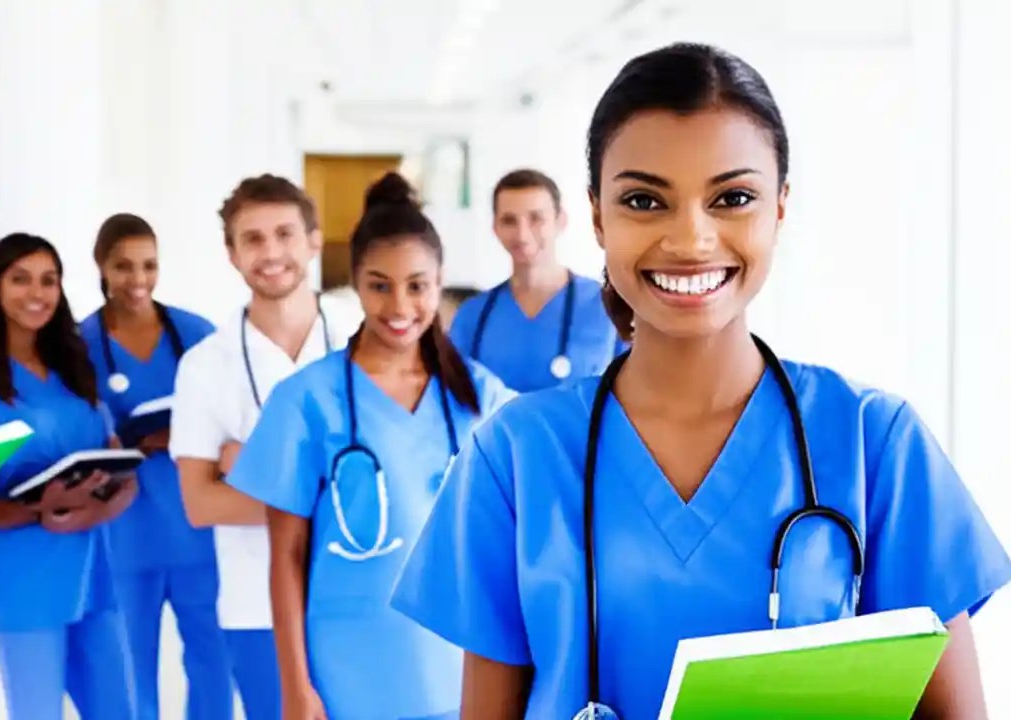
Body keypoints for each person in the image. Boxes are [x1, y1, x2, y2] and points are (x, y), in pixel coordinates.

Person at [390, 42, 1011, 719]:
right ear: (598, 217)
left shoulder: (875, 444)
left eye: (733, 197)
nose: (690, 238)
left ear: (779, 209)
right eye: (644, 200)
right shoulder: (515, 455)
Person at [227, 172, 515, 720]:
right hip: (348, 676)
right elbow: (286, 558)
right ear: (354, 285)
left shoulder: (483, 397)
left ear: (440, 281)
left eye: (417, 284)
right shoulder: (307, 399)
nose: (399, 305)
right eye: (379, 285)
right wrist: (296, 689)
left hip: (462, 671)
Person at [169, 174, 363, 719]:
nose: (271, 252)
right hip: (257, 609)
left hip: (362, 599)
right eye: (252, 239)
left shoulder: (361, 336)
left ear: (314, 241)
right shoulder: (206, 366)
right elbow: (201, 502)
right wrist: (331, 499)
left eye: (284, 233)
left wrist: (252, 470)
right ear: (231, 254)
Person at [0, 233, 139, 720]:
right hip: (27, 583)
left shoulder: (75, 367)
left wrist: (99, 506)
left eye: (48, 280)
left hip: (95, 571)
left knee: (120, 710)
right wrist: (40, 510)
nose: (37, 293)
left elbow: (120, 463)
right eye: (20, 279)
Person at [80, 213, 235, 720]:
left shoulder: (195, 335)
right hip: (123, 541)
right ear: (101, 266)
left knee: (214, 668)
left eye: (149, 265)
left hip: (196, 535)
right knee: (130, 676)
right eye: (123, 266)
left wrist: (179, 435)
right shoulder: (79, 346)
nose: (138, 279)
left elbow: (231, 423)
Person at [448, 169, 623, 392]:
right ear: (495, 228)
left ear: (561, 221)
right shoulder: (472, 316)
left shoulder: (609, 307)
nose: (522, 235)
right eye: (509, 220)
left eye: (536, 218)